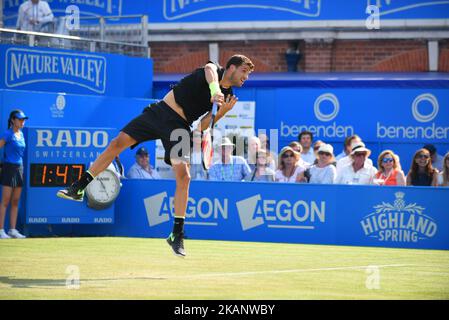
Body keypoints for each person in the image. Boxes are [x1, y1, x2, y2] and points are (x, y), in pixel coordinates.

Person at [57, 54, 254, 257]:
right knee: (117, 144)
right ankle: (79, 187)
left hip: (179, 127)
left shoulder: (228, 96)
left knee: (184, 176)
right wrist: (214, 91)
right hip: (159, 112)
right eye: (244, 72)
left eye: (248, 74)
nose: (246, 77)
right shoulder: (214, 70)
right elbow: (209, 70)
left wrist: (222, 112)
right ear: (231, 68)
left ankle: (177, 233)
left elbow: (203, 126)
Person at [0, 110, 29, 239]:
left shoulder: (21, 134)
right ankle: (1, 230)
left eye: (23, 119)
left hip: (19, 168)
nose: (22, 122)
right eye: (20, 119)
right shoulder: (7, 134)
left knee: (16, 201)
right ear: (13, 120)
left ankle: (12, 230)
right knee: (5, 201)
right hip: (9, 168)